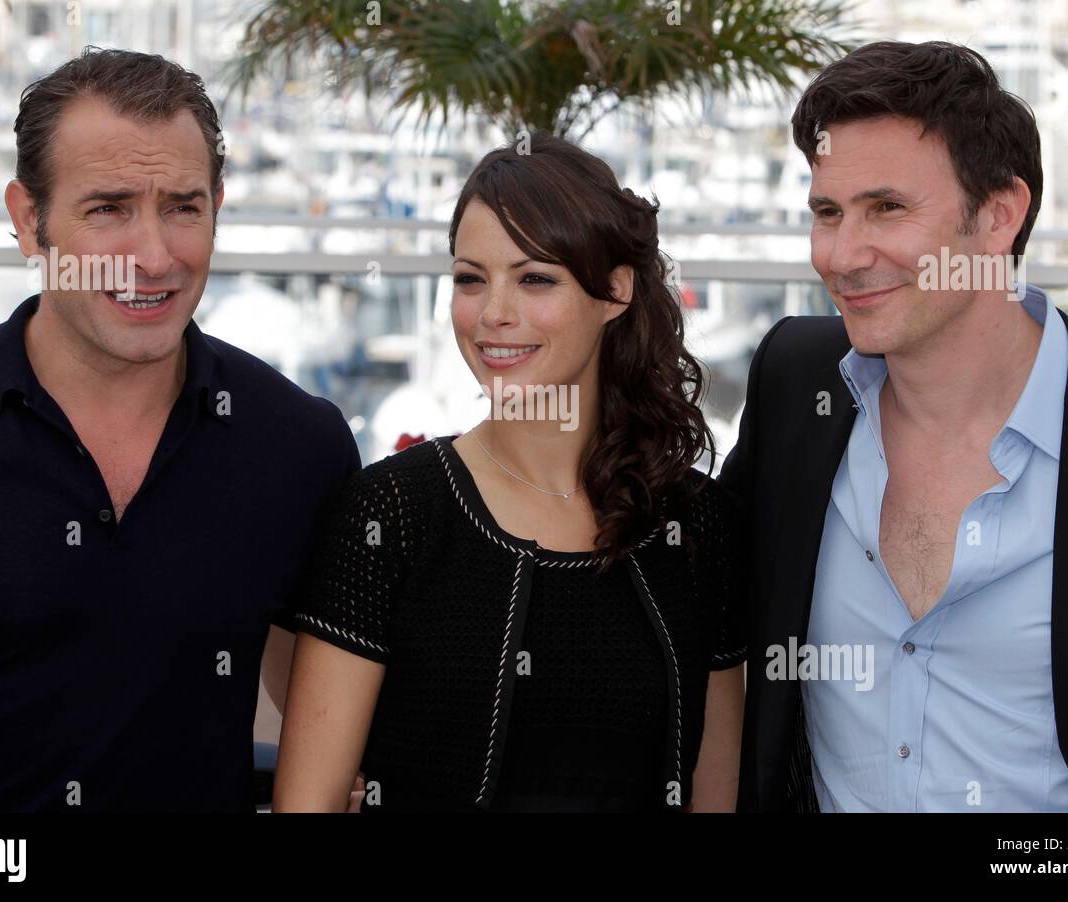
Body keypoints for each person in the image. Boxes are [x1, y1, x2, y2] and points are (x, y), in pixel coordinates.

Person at [0, 48, 358, 811]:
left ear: (218, 208)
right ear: (29, 221)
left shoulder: (299, 445)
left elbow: (329, 730)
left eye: (183, 206)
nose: (153, 256)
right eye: (108, 208)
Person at [721, 40, 1068, 812]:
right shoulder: (797, 385)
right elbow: (699, 590)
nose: (843, 254)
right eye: (828, 212)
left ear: (998, 217)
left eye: (887, 208)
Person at [272, 132, 746, 812]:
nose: (492, 314)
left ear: (615, 291)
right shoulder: (391, 514)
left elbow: (714, 792)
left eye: (535, 279)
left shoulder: (697, 523)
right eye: (471, 278)